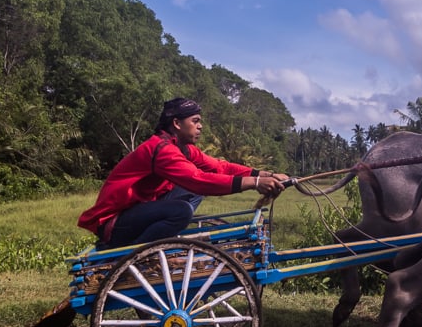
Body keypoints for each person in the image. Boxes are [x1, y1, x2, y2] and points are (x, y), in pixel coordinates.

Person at [78, 98, 290, 248]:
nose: (201, 127)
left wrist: (264, 174)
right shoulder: (161, 150)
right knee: (181, 210)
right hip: (114, 224)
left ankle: (155, 244)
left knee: (193, 194)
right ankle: (138, 253)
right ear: (177, 124)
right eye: (195, 121)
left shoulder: (183, 148)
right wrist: (254, 183)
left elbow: (219, 167)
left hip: (136, 212)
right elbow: (198, 180)